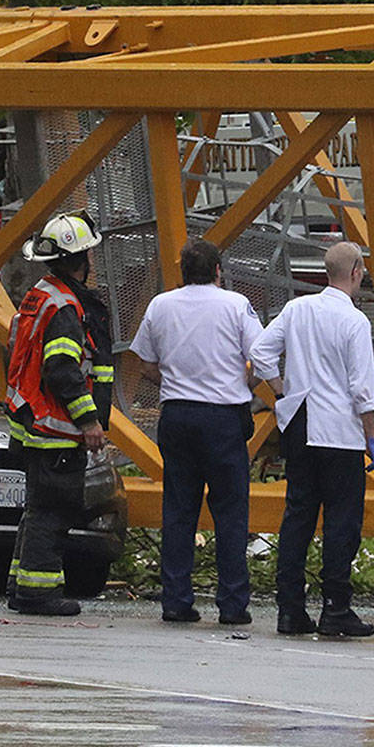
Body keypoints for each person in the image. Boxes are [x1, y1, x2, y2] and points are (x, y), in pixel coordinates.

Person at [250, 242, 374, 637]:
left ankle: (290, 610)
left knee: (298, 518)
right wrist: (373, 437)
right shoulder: (354, 322)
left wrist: (281, 387)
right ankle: (336, 608)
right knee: (342, 522)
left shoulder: (297, 309)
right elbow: (361, 389)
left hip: (300, 423)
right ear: (356, 271)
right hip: (339, 430)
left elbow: (259, 351)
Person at [131, 238, 263, 626]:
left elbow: (143, 363)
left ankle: (176, 600)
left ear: (182, 273)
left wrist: (174, 381)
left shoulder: (161, 305)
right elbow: (261, 355)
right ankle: (233, 604)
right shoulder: (236, 305)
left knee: (178, 510)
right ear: (218, 271)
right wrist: (245, 385)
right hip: (224, 417)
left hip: (177, 415)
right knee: (231, 513)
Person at [4, 211, 111, 616]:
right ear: (80, 258)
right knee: (53, 509)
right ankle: (38, 592)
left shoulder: (40, 296)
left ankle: (20, 585)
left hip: (34, 421)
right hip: (55, 427)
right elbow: (63, 369)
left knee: (37, 509)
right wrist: (88, 420)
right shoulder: (66, 307)